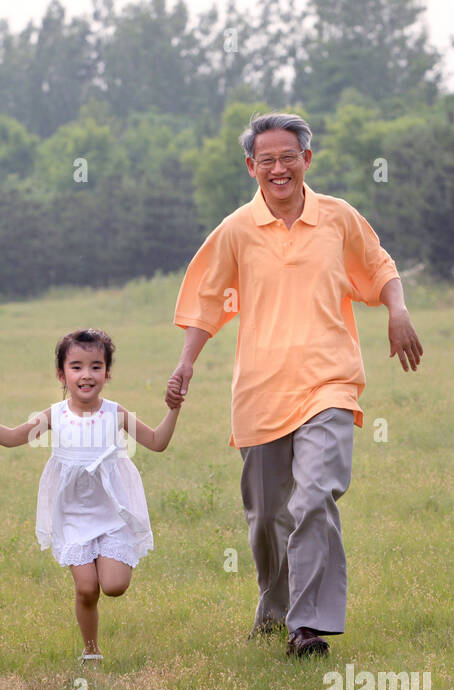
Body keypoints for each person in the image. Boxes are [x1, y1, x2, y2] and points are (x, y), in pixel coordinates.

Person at [165, 112, 424, 659]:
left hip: (329, 382)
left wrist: (397, 311)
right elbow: (208, 301)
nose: (279, 168)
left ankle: (307, 625)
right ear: (251, 167)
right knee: (265, 516)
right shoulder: (237, 229)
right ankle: (275, 600)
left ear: (307, 160)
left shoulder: (337, 218)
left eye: (289, 157)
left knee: (314, 498)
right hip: (260, 390)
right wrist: (186, 362)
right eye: (267, 160)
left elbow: (379, 268)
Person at [0, 329, 178, 661]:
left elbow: (157, 442)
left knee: (115, 586)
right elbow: (10, 437)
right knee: (87, 588)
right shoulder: (54, 416)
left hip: (113, 514)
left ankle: (105, 559)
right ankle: (91, 652)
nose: (86, 375)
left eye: (96, 366)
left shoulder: (115, 414)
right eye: (76, 366)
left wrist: (173, 409)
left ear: (107, 373)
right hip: (74, 515)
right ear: (61, 374)